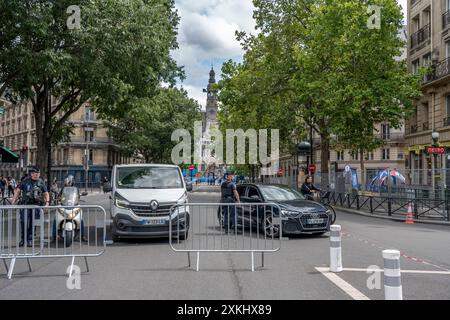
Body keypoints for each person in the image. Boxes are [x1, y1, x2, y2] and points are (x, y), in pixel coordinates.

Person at [12, 166, 50, 247]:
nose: (37, 175)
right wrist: (13, 201)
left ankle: (30, 239)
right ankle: (23, 239)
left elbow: (46, 193)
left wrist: (47, 203)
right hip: (25, 205)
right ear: (31, 174)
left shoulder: (41, 182)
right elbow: (18, 191)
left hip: (36, 206)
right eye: (35, 174)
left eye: (38, 174)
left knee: (33, 223)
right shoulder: (25, 181)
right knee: (23, 222)